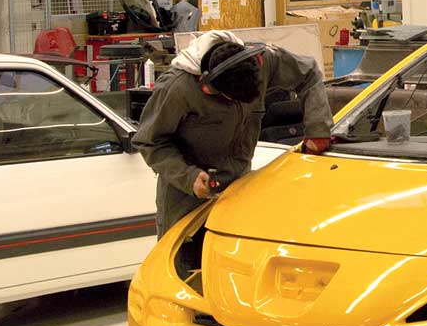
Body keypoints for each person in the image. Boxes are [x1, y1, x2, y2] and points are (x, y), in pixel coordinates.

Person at [133, 31, 333, 235]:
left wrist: (318, 128)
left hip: (239, 189)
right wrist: (188, 177)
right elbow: (150, 142)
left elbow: (308, 73)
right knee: (182, 263)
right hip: (187, 198)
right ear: (207, 86)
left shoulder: (262, 62)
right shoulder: (178, 88)